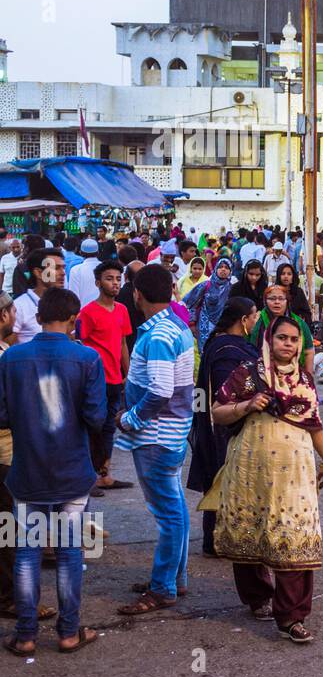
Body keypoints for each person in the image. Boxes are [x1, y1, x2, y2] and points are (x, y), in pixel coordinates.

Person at [202, 315, 323, 643]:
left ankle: (292, 616)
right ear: (269, 340)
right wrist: (247, 404)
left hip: (295, 470)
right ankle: (258, 596)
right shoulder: (248, 374)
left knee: (297, 533)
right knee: (252, 527)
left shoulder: (304, 380)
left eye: (293, 339)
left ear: (300, 344)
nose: (287, 344)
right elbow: (217, 410)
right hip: (251, 467)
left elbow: (314, 423)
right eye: (281, 338)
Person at [0, 288, 107, 655]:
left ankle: (26, 635)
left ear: (40, 315)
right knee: (69, 552)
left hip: (27, 471)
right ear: (73, 319)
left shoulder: (12, 357)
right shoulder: (87, 358)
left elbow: (0, 415)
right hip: (72, 472)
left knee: (26, 552)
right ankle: (68, 631)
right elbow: (96, 417)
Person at [114, 264, 196, 616]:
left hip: (157, 436)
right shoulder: (175, 326)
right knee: (174, 506)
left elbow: (160, 390)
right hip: (171, 433)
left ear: (137, 295)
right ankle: (174, 577)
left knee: (167, 513)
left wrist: (130, 419)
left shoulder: (159, 335)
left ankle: (163, 587)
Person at [187, 297, 260, 557]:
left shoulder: (219, 344)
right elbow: (223, 392)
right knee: (225, 480)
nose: (256, 319)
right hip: (225, 426)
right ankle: (220, 541)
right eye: (254, 316)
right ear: (243, 321)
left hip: (219, 425)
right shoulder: (227, 350)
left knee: (221, 480)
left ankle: (219, 540)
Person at [0, 293, 57, 623]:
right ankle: (13, 598)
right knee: (10, 528)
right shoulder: (6, 357)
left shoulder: (9, 353)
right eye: (10, 311)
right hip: (6, 455)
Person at [78, 261, 135, 494]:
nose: (115, 283)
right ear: (97, 282)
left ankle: (104, 475)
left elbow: (122, 343)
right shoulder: (87, 312)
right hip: (93, 381)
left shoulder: (122, 310)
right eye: (109, 278)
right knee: (92, 427)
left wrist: (128, 373)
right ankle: (88, 477)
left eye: (118, 279)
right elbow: (79, 343)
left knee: (109, 427)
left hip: (114, 379)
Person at [250, 285, 314, 370]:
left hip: (294, 373)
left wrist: (308, 377)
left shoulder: (299, 323)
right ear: (265, 301)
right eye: (272, 299)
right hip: (262, 372)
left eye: (281, 299)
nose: (277, 302)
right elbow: (249, 349)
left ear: (287, 301)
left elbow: (308, 351)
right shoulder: (256, 321)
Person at [13, 246, 65, 345]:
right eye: (56, 268)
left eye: (63, 268)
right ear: (39, 273)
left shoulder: (66, 303)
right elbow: (8, 347)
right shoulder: (19, 307)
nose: (63, 273)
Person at [183, 257, 234, 352]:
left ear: (230, 271)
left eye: (227, 268)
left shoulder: (232, 289)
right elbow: (189, 304)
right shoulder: (205, 285)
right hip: (204, 327)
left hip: (224, 328)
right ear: (215, 269)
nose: (223, 269)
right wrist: (192, 323)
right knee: (205, 354)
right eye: (220, 267)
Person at [272, 263, 313, 328]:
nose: (286, 276)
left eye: (289, 274)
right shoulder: (274, 291)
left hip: (297, 327)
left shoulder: (298, 292)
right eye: (283, 274)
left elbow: (306, 313)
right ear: (278, 276)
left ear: (293, 277)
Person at [67, 238, 102, 306]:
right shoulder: (107, 268)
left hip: (83, 313)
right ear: (98, 252)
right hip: (106, 312)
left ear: (80, 252)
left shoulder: (75, 270)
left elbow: (74, 296)